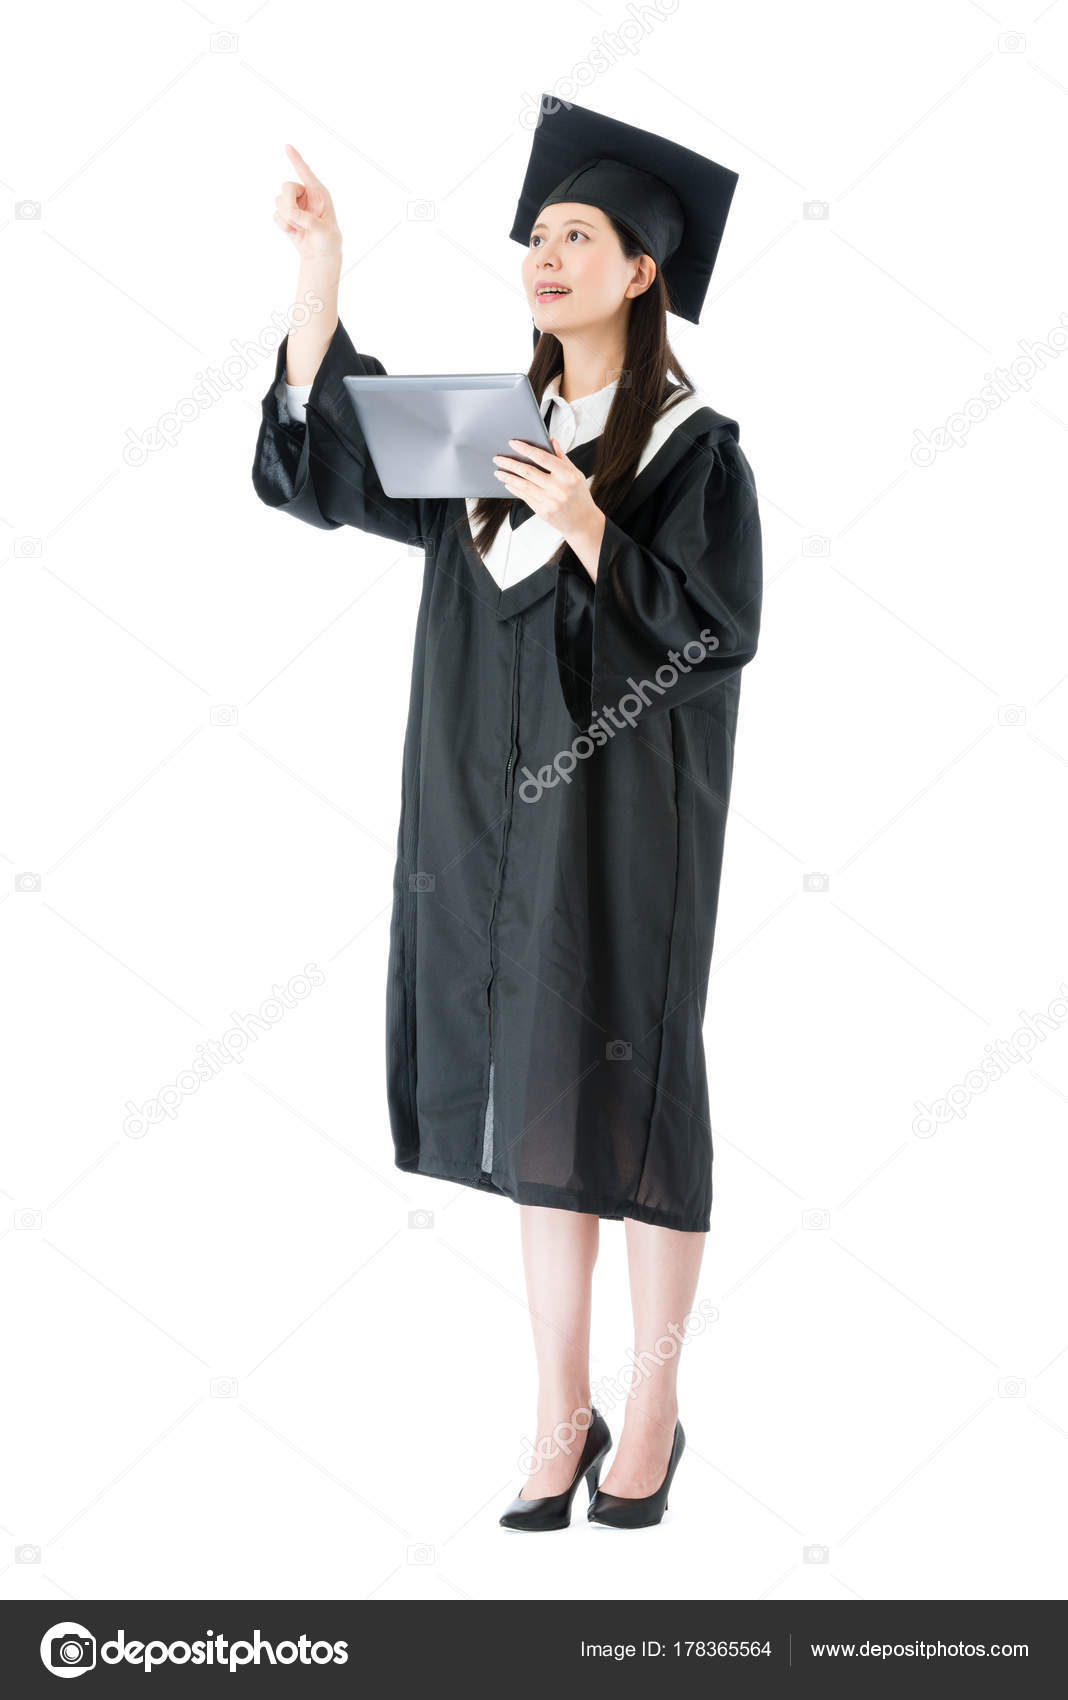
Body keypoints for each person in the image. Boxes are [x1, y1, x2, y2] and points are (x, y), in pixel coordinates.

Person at [251, 96, 763, 1531]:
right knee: (542, 1097)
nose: (545, 256)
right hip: (499, 839)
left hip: (631, 845)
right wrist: (321, 277)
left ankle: (651, 1407)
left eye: (578, 236)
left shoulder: (692, 448)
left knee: (642, 1110)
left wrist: (596, 527)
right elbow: (326, 460)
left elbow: (716, 633)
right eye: (536, 236)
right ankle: (559, 1415)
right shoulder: (488, 431)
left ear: (643, 270)